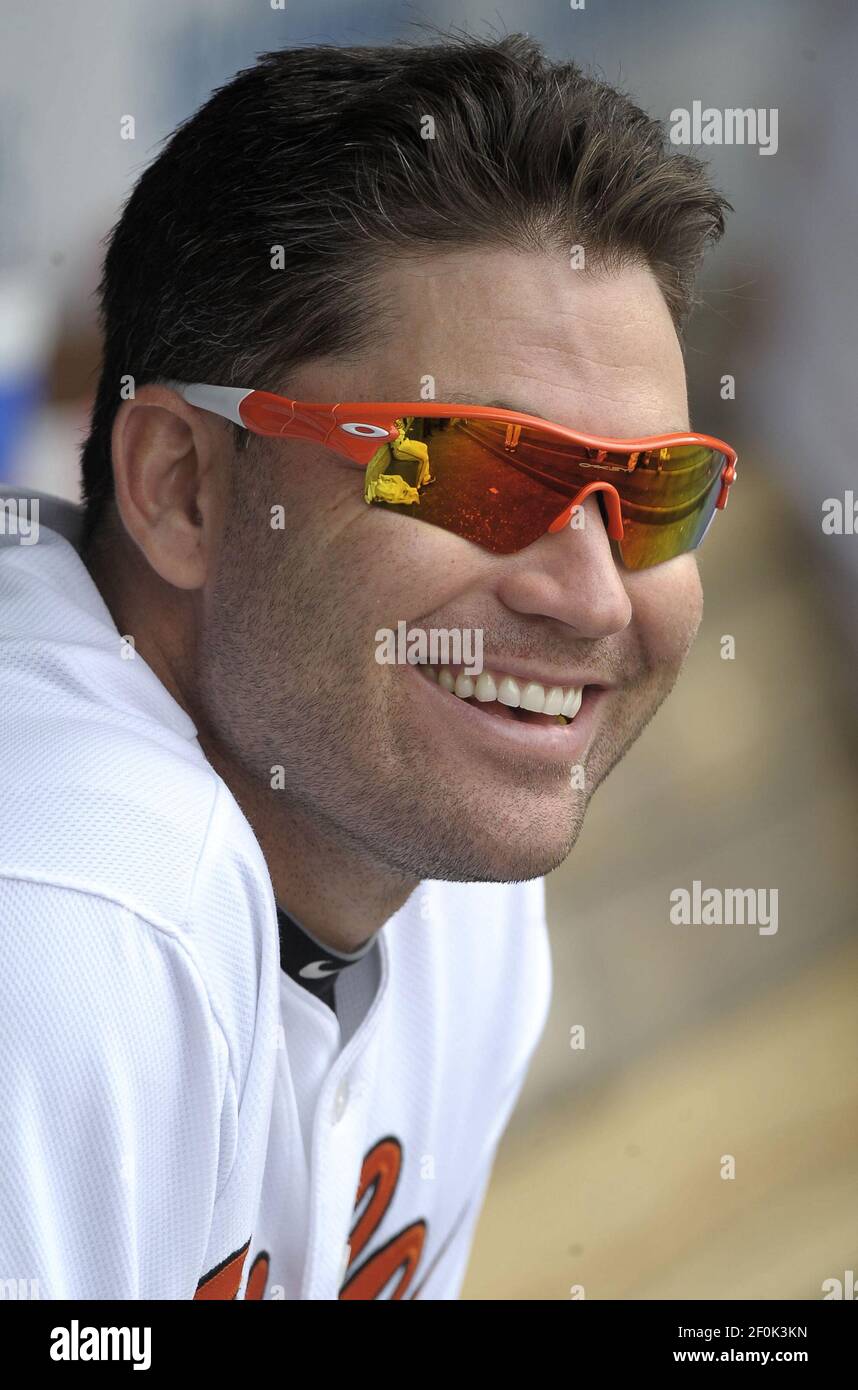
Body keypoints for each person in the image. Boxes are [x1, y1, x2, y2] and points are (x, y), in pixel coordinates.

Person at [0, 31, 733, 1300]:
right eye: (473, 469)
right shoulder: (61, 930)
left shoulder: (434, 836)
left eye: (657, 493)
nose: (592, 593)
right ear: (182, 487)